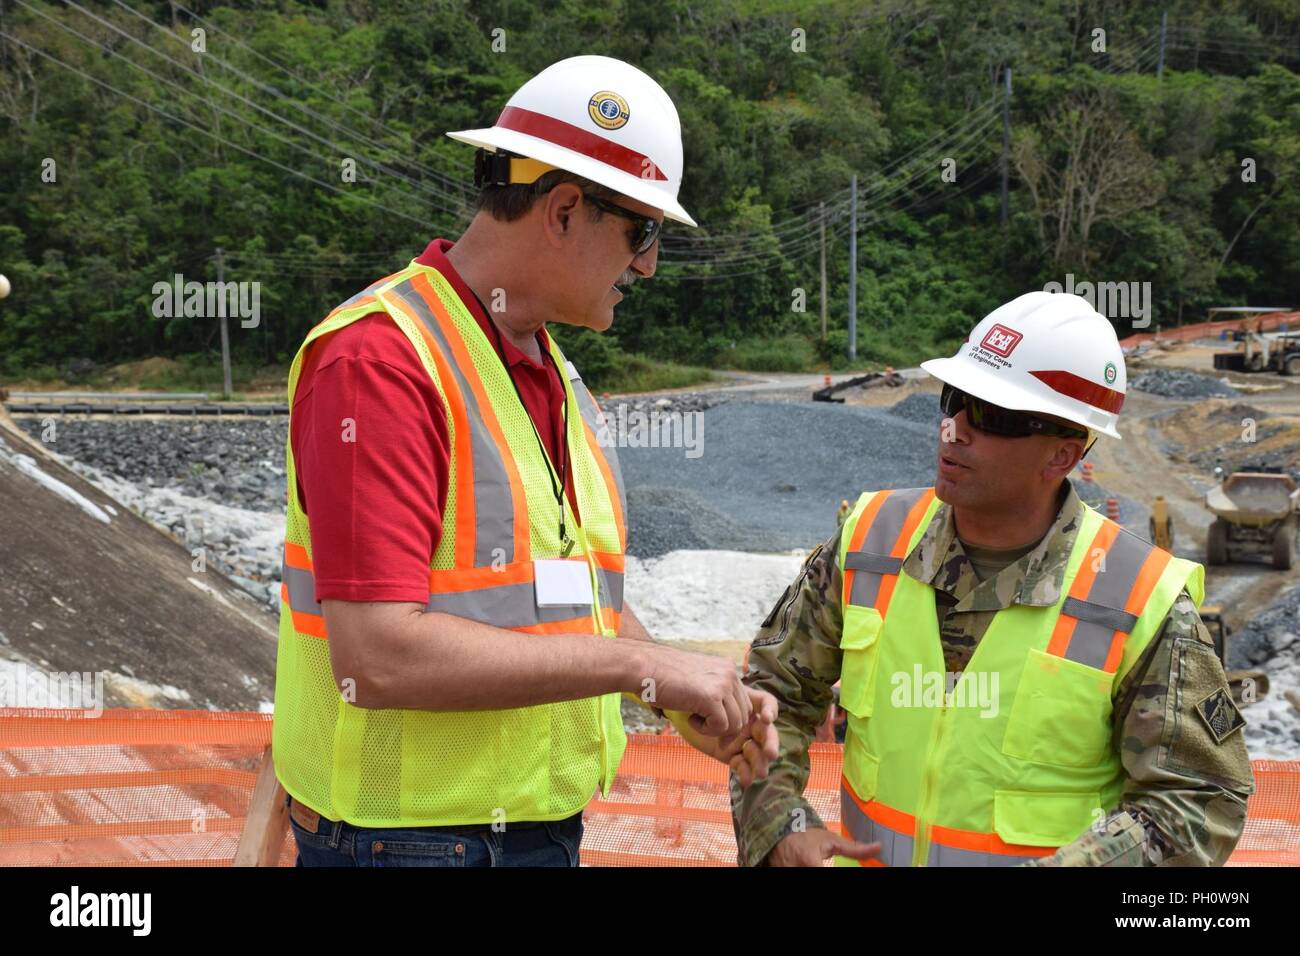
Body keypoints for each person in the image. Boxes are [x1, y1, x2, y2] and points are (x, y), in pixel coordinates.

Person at [273, 55, 776, 868]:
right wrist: (643, 664)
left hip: (517, 835)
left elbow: (562, 598)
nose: (647, 263)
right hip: (408, 846)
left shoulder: (547, 373)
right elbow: (377, 655)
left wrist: (668, 689)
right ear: (566, 209)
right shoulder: (381, 362)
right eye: (642, 231)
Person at [731, 291, 1254, 867]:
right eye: (953, 401)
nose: (954, 431)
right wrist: (782, 824)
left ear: (1062, 454)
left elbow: (1200, 797)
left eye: (990, 415)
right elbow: (772, 693)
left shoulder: (1136, 597)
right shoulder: (869, 540)